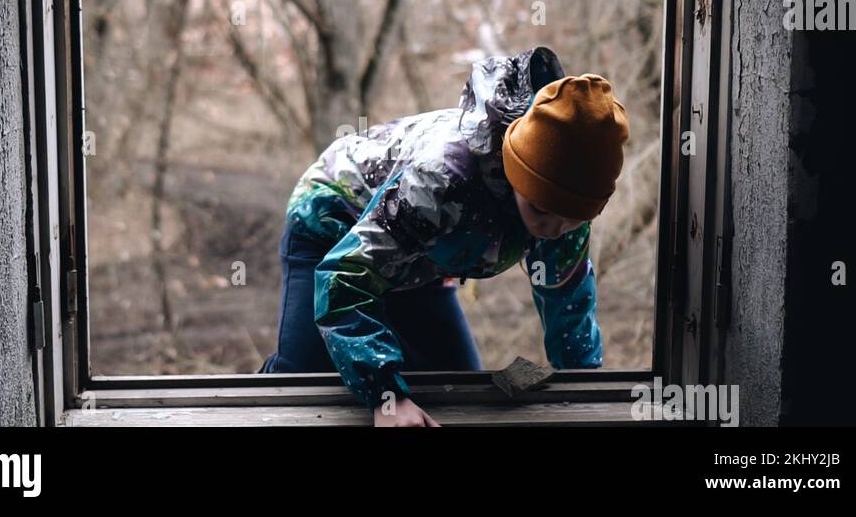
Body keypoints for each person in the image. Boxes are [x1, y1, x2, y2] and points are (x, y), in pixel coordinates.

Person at [258, 46, 630, 427]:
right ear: (515, 172)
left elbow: (567, 302)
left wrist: (585, 389)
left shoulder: (566, 208)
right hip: (334, 223)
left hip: (422, 257)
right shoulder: (443, 178)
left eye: (573, 219)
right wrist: (387, 397)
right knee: (301, 375)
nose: (554, 230)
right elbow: (344, 278)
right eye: (539, 209)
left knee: (457, 389)